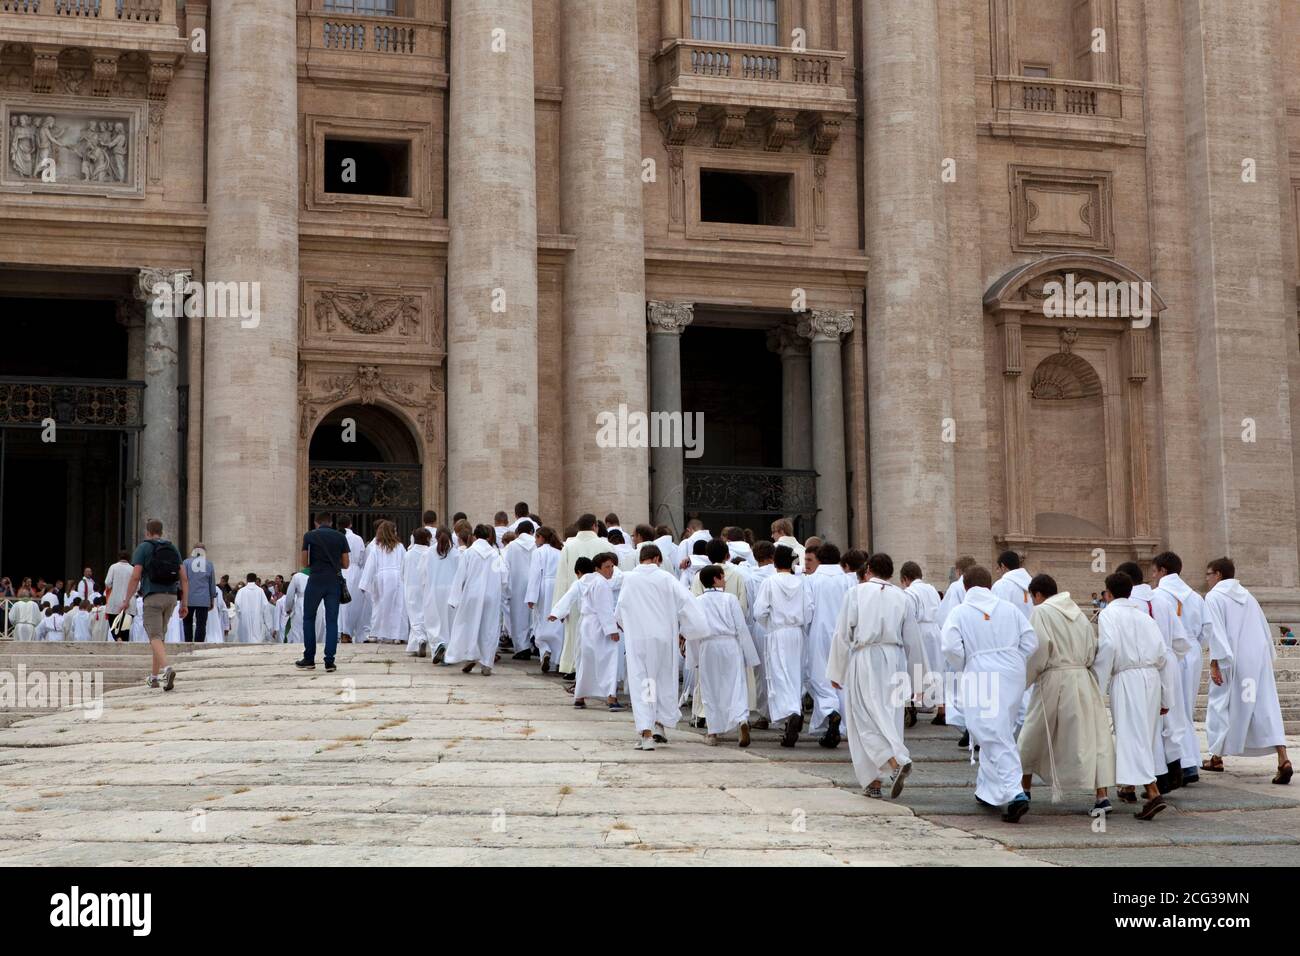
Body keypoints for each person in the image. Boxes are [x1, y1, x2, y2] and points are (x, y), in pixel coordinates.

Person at [940, 564, 1037, 822]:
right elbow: (1031, 641)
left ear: (964, 586)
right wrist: (1013, 659)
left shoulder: (960, 612)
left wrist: (966, 664)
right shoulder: (1010, 609)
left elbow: (949, 646)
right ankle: (988, 790)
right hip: (1012, 673)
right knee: (998, 727)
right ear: (990, 584)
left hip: (981, 671)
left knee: (988, 730)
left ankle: (1015, 792)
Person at [1017, 573, 1116, 815]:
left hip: (1054, 678)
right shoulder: (1079, 614)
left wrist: (1025, 679)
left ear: (1038, 594)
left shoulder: (1041, 612)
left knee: (1033, 731)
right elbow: (1093, 647)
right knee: (1092, 736)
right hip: (1082, 678)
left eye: (1033, 598)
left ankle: (1023, 789)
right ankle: (1102, 795)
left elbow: (1038, 648)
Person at [827, 552, 917, 798]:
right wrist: (919, 680)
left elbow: (843, 633)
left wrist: (837, 669)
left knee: (863, 718)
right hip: (895, 659)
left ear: (868, 570)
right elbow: (913, 641)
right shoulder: (903, 597)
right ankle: (882, 774)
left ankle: (891, 764)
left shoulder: (856, 593)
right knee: (889, 716)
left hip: (865, 657)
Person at [1202, 558, 1292, 784]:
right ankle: (1283, 758)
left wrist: (1214, 663)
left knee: (1220, 706)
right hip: (1256, 660)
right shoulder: (1248, 596)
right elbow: (1262, 628)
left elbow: (1216, 632)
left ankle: (1216, 757)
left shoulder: (1214, 597)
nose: (1207, 579)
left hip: (1232, 661)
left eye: (1209, 574)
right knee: (1263, 706)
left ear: (1219, 575)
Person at [1094, 571, 1174, 819]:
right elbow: (1164, 656)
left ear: (1108, 593)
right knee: (1144, 736)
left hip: (1126, 677)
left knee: (1130, 734)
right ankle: (1128, 787)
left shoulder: (1108, 614)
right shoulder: (1144, 617)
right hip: (1151, 678)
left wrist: (1097, 683)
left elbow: (1107, 648)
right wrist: (1165, 697)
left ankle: (1152, 791)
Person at [614, 543, 704, 750]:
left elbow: (619, 612)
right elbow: (688, 603)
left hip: (639, 640)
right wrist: (690, 631)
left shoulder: (630, 579)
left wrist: (629, 627)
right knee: (663, 680)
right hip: (663, 638)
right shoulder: (666, 578)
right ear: (657, 559)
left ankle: (646, 733)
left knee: (644, 682)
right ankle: (659, 724)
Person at [1117, 560, 1190, 793]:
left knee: (1140, 725)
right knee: (1170, 721)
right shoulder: (1162, 600)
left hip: (1138, 668)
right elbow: (1181, 641)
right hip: (1166, 663)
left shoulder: (1126, 606)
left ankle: (1146, 780)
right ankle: (1171, 770)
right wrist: (1170, 660)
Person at [686, 564, 759, 746]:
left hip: (708, 645)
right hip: (730, 644)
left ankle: (713, 732)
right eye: (723, 577)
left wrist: (694, 657)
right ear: (716, 579)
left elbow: (693, 630)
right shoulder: (731, 599)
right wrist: (749, 655)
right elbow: (741, 627)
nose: (725, 580)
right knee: (736, 684)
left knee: (711, 688)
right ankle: (741, 719)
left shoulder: (698, 601)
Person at [752, 545, 811, 746]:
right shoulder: (801, 583)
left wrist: (770, 624)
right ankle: (795, 711)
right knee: (795, 674)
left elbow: (759, 611)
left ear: (775, 561)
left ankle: (791, 712)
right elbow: (809, 609)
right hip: (797, 633)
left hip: (778, 632)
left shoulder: (769, 583)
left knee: (780, 674)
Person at [120, 518, 188, 690]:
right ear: (162, 531)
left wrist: (126, 600)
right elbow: (184, 578)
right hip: (171, 597)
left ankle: (167, 669)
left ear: (147, 532)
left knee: (154, 637)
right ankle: (154, 677)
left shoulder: (144, 547)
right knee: (159, 638)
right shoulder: (172, 547)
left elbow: (136, 576)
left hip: (153, 597)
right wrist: (184, 603)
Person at [550, 552, 621, 710]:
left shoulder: (586, 580)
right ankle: (611, 698)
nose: (610, 570)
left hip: (587, 624)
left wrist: (557, 612)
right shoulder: (602, 583)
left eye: (612, 567)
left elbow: (569, 596)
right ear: (597, 569)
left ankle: (580, 696)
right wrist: (612, 630)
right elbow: (604, 609)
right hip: (599, 626)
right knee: (609, 660)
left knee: (586, 660)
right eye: (607, 567)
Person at [801, 542, 850, 747]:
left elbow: (807, 609)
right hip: (844, 634)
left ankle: (830, 712)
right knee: (842, 678)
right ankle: (844, 723)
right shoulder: (848, 581)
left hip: (818, 632)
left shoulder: (812, 580)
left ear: (819, 559)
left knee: (819, 677)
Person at [445, 524, 510, 676]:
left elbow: (460, 576)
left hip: (472, 594)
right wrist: (501, 592)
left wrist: (454, 598)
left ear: (474, 536)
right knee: (489, 628)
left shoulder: (469, 553)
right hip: (491, 596)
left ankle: (470, 655)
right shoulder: (495, 554)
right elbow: (504, 577)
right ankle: (487, 662)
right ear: (488, 537)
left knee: (469, 625)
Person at [551, 514, 608, 678]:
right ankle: (593, 669)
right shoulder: (605, 545)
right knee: (597, 634)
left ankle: (573, 667)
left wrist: (559, 608)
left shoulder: (569, 546)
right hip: (598, 596)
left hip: (574, 595)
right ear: (594, 526)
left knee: (573, 633)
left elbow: (561, 577)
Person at [296, 513, 350, 672]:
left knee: (309, 618)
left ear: (316, 522)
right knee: (332, 621)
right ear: (331, 522)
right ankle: (329, 661)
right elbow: (346, 564)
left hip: (316, 580)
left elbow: (304, 562)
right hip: (333, 581)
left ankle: (309, 658)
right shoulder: (340, 537)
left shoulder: (309, 536)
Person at [937, 554, 977, 738]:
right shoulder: (982, 585)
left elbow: (945, 617)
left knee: (955, 689)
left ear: (959, 570)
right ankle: (974, 725)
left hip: (958, 643)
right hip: (977, 643)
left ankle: (966, 726)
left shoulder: (956, 586)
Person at [900, 560, 941, 725]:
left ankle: (916, 704)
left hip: (919, 630)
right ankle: (934, 702)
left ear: (905, 578)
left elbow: (909, 614)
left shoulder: (910, 592)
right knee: (935, 668)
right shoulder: (931, 589)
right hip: (935, 630)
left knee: (918, 669)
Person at [358, 519, 406, 646]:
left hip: (382, 578)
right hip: (397, 578)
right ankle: (397, 635)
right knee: (398, 607)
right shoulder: (400, 547)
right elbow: (404, 564)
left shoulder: (377, 548)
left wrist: (364, 584)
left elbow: (370, 566)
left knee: (380, 607)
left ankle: (377, 633)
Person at [526, 526, 564, 672]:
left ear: (541, 537)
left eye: (536, 537)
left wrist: (531, 596)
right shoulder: (559, 552)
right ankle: (557, 658)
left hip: (543, 587)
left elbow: (535, 574)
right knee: (556, 623)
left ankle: (545, 651)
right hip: (558, 587)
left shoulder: (538, 552)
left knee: (540, 621)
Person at [421, 527, 460, 664]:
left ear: (435, 538)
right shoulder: (456, 554)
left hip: (433, 590)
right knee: (449, 623)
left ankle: (438, 645)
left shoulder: (427, 553)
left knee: (433, 621)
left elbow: (422, 573)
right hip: (451, 591)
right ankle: (448, 652)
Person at [502, 519, 537, 659]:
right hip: (534, 582)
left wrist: (506, 589)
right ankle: (536, 644)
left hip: (517, 583)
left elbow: (507, 567)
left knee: (518, 615)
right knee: (534, 615)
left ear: (517, 533)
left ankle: (522, 648)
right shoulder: (536, 544)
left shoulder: (512, 546)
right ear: (531, 532)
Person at [338, 515, 368, 644]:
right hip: (355, 571)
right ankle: (352, 632)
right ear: (350, 524)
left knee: (342, 605)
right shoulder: (357, 539)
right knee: (354, 603)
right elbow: (363, 556)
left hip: (341, 570)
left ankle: (344, 632)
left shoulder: (338, 537)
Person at [181, 545, 219, 643]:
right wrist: (212, 599)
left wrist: (181, 597)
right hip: (203, 598)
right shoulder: (209, 564)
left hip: (188, 598)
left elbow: (182, 580)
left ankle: (188, 643)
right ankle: (199, 644)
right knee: (201, 624)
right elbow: (212, 583)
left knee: (187, 623)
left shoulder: (186, 562)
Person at [403, 528, 432, 657]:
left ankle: (420, 639)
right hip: (427, 587)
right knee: (425, 614)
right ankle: (414, 645)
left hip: (411, 587)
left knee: (414, 615)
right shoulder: (431, 553)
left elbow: (402, 572)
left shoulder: (408, 554)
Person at [234, 573, 270, 644]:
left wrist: (240, 616)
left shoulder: (241, 591)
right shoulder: (260, 591)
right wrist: (268, 623)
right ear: (255, 579)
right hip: (257, 619)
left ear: (247, 579)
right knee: (257, 640)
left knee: (245, 640)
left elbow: (237, 605)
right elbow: (266, 606)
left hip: (244, 619)